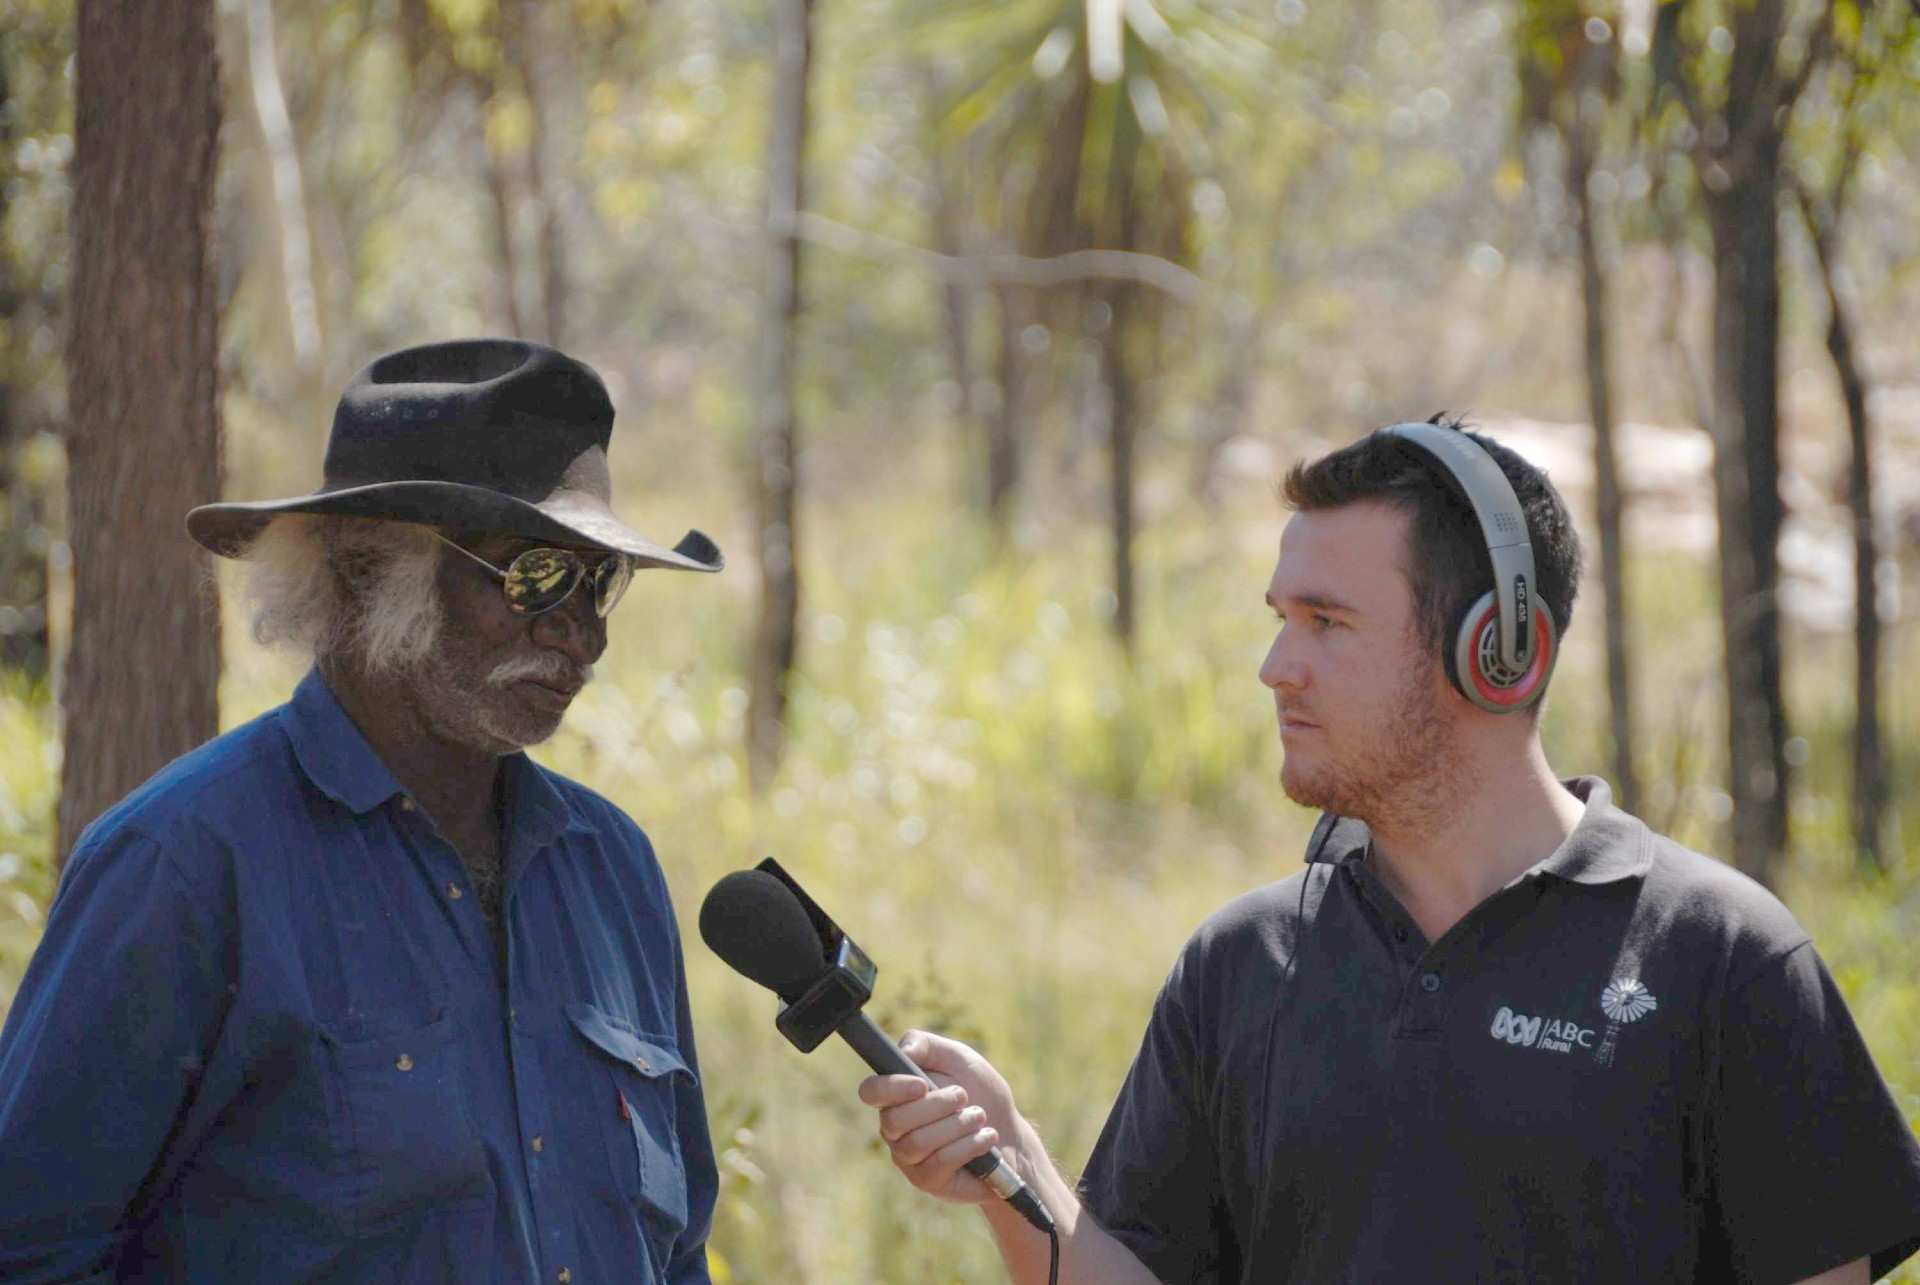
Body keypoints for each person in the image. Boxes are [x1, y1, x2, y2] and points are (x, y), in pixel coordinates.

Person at [858, 419, 1920, 1283]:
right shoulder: (1241, 964)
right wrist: (1016, 1170)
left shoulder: (1721, 957)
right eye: (1280, 617)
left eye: (1327, 621)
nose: (1277, 665)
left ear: (1501, 650)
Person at [0, 339, 723, 1283]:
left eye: (599, 581)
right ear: (366, 572)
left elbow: (679, 1252)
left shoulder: (612, 866)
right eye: (533, 574)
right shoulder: (183, 864)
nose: (580, 631)